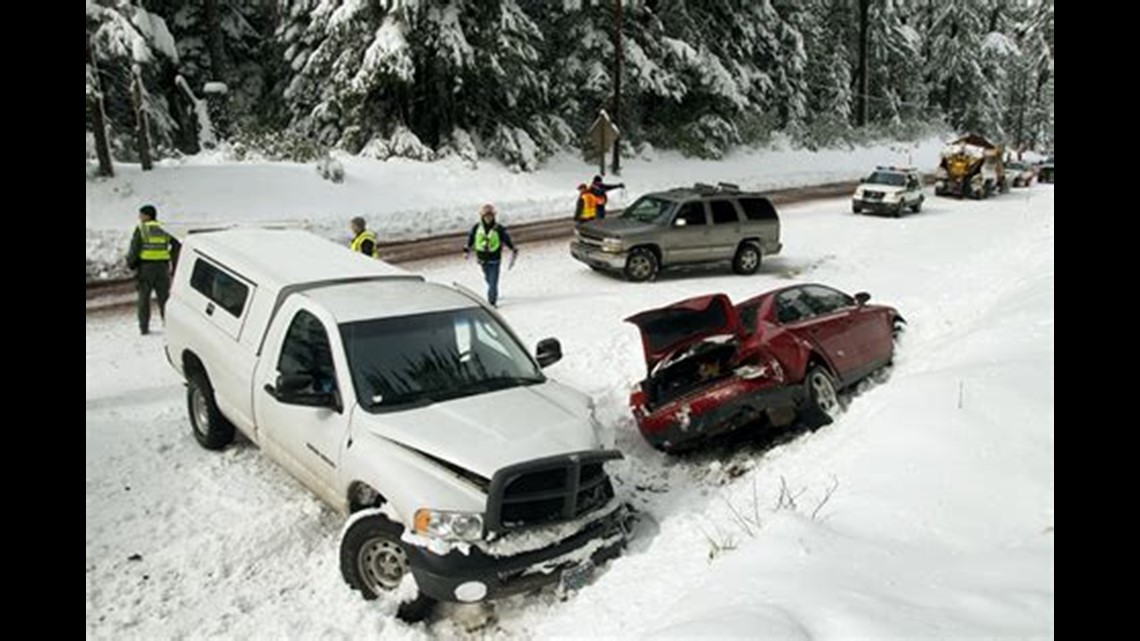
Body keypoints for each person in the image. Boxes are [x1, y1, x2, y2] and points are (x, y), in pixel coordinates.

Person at [126, 204, 179, 335]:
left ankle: (144, 328)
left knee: (144, 299)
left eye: (141, 214)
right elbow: (176, 244)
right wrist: (174, 263)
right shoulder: (164, 228)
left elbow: (135, 248)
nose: (139, 217)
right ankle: (169, 325)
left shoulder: (142, 228)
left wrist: (131, 263)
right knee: (164, 298)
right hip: (162, 268)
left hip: (146, 268)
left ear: (147, 215)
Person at [463, 204, 517, 307]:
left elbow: (506, 239)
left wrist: (512, 248)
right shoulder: (477, 227)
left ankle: (492, 302)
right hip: (482, 259)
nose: (488, 218)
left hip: (495, 259)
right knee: (488, 278)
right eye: (486, 216)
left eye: (490, 216)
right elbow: (471, 239)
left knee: (493, 281)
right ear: (482, 217)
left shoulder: (498, 228)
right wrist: (466, 250)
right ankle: (493, 291)